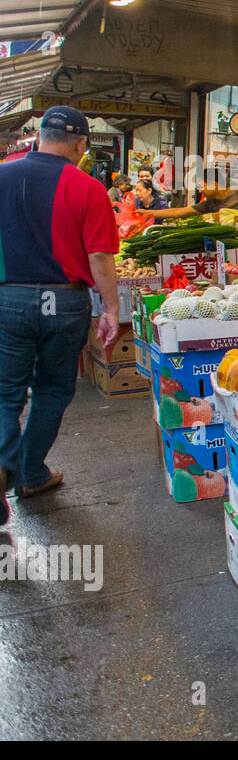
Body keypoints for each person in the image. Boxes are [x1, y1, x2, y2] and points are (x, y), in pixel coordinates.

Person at [0, 106, 120, 523]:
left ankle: (3, 466)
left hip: (8, 299)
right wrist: (111, 308)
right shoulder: (88, 188)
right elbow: (100, 255)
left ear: (38, 135)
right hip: (64, 301)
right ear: (81, 143)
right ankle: (30, 473)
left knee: (6, 393)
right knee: (51, 390)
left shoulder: (3, 173)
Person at [149, 183, 238, 222]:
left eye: (201, 186)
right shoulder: (209, 204)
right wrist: (147, 213)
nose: (199, 191)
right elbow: (179, 212)